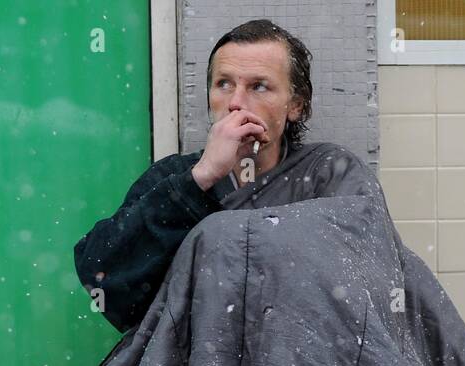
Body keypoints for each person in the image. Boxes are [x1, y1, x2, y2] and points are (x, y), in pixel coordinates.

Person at [74, 18, 315, 334]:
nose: (235, 103)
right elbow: (101, 273)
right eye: (223, 84)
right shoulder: (174, 177)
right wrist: (200, 178)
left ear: (295, 105)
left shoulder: (321, 177)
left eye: (259, 86)